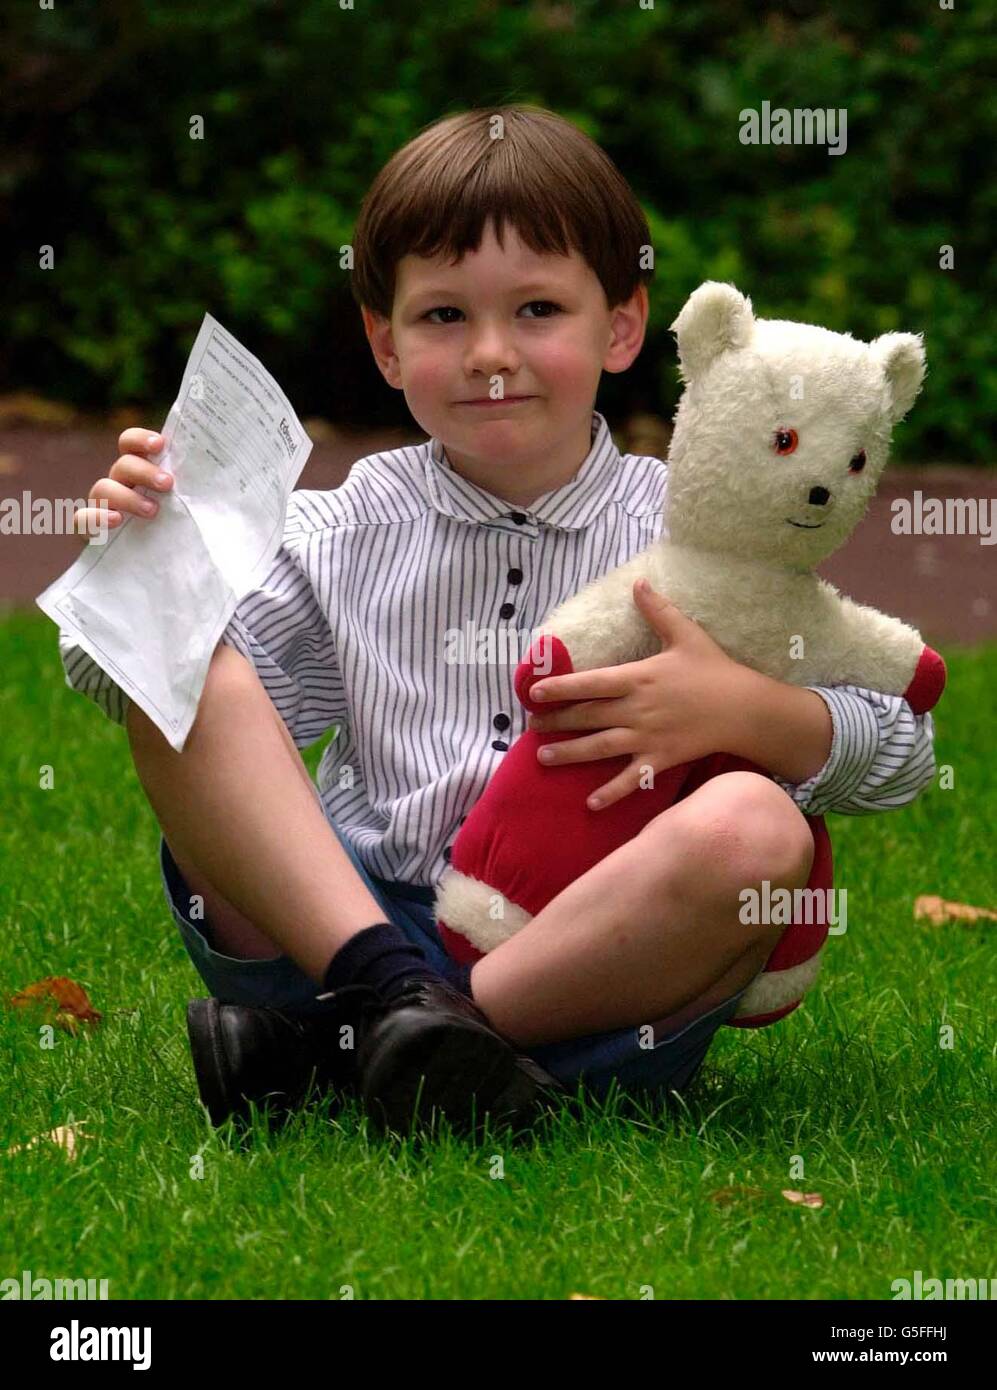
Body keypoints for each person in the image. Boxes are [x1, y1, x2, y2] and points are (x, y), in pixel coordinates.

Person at [62, 105, 937, 1135]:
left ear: (619, 327)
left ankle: (366, 1049)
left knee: (758, 826)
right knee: (187, 675)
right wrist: (142, 552)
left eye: (535, 311)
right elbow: (115, 671)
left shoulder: (704, 541)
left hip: (593, 971)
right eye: (442, 317)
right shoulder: (341, 528)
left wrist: (744, 710)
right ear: (384, 344)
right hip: (342, 926)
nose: (489, 353)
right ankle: (393, 1004)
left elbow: (904, 756)